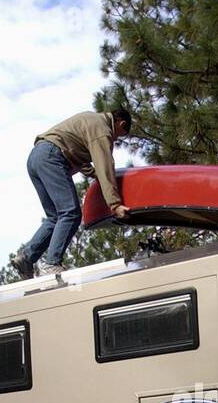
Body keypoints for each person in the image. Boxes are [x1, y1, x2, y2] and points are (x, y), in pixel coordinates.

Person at [10, 108, 132, 278]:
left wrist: (93, 174)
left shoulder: (90, 120)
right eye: (120, 135)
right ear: (121, 123)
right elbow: (105, 166)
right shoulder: (103, 129)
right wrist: (115, 204)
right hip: (52, 156)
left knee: (55, 217)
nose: (116, 138)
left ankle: (26, 258)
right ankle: (51, 263)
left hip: (36, 157)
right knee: (71, 213)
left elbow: (76, 153)